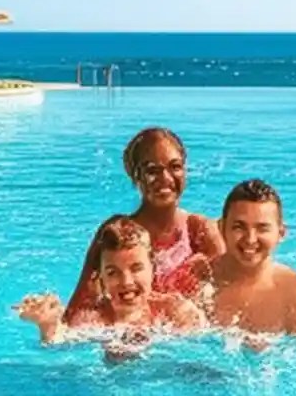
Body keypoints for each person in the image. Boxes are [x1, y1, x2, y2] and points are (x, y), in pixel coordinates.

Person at [62, 127, 224, 324]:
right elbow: (76, 312)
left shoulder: (199, 231)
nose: (165, 178)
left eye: (175, 167)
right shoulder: (117, 233)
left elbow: (234, 301)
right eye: (152, 170)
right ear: (135, 177)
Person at [16, 216, 206, 350]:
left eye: (136, 268)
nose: (126, 281)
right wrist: (47, 325)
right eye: (112, 273)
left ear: (153, 268)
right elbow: (59, 347)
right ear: (101, 279)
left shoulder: (176, 311)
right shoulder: (93, 319)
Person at [191, 179, 296, 335]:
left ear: (281, 233)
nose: (250, 239)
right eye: (239, 227)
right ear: (221, 228)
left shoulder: (295, 293)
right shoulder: (197, 279)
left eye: (262, 228)